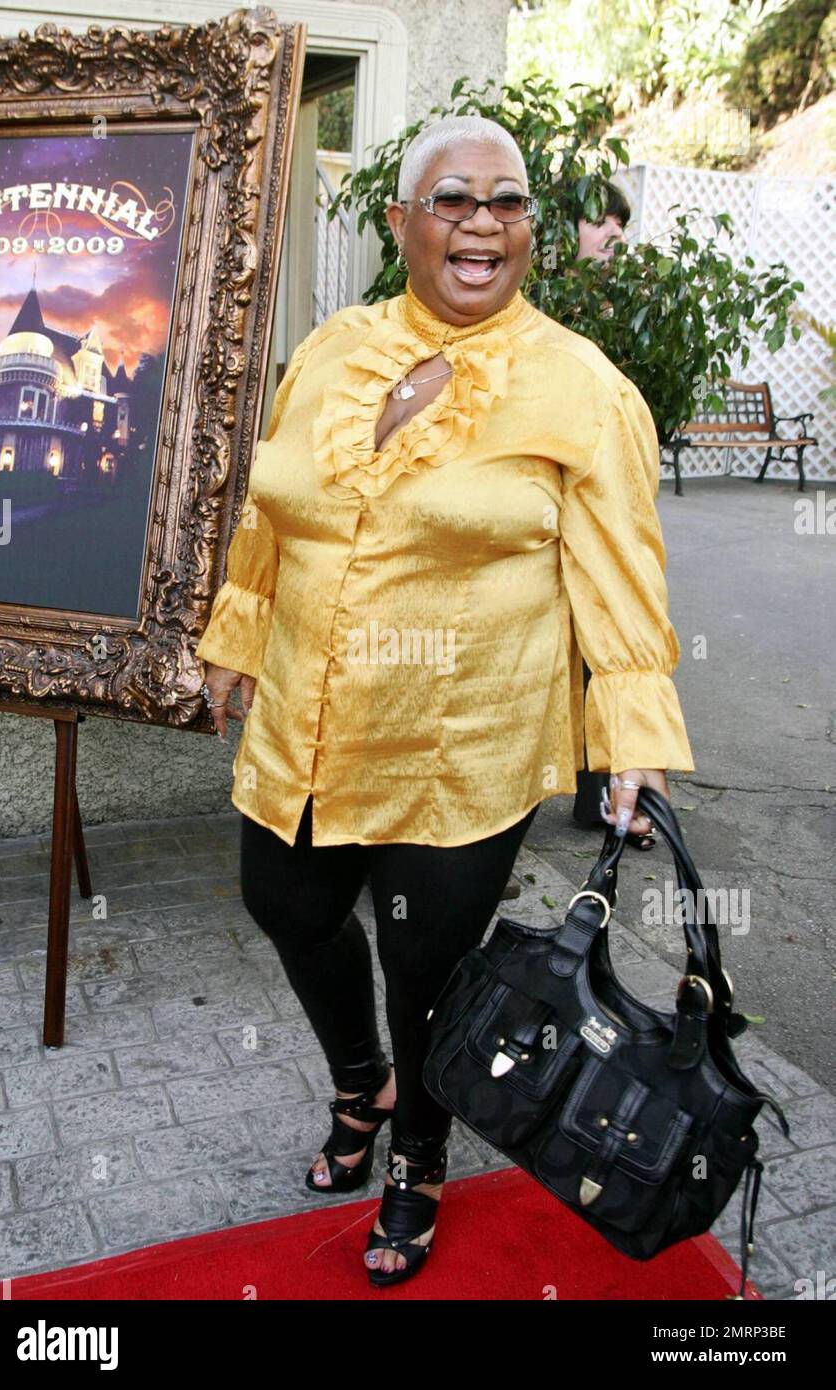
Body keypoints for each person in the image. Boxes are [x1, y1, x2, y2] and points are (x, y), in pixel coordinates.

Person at [196, 115, 694, 1289]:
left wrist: (631, 740)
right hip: (307, 719)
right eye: (453, 200)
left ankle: (416, 1149)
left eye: (507, 203)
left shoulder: (579, 386)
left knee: (426, 966)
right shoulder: (333, 348)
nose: (482, 222)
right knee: (283, 903)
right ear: (399, 222)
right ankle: (360, 1078)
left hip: (456, 740)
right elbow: (274, 511)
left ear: (530, 229)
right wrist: (237, 637)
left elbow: (620, 575)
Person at [569, 179, 659, 846]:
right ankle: (595, 789)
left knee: (611, 636)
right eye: (597, 221)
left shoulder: (631, 302)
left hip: (612, 496)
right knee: (567, 647)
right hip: (558, 499)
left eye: (618, 224)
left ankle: (606, 793)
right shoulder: (548, 305)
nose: (611, 234)